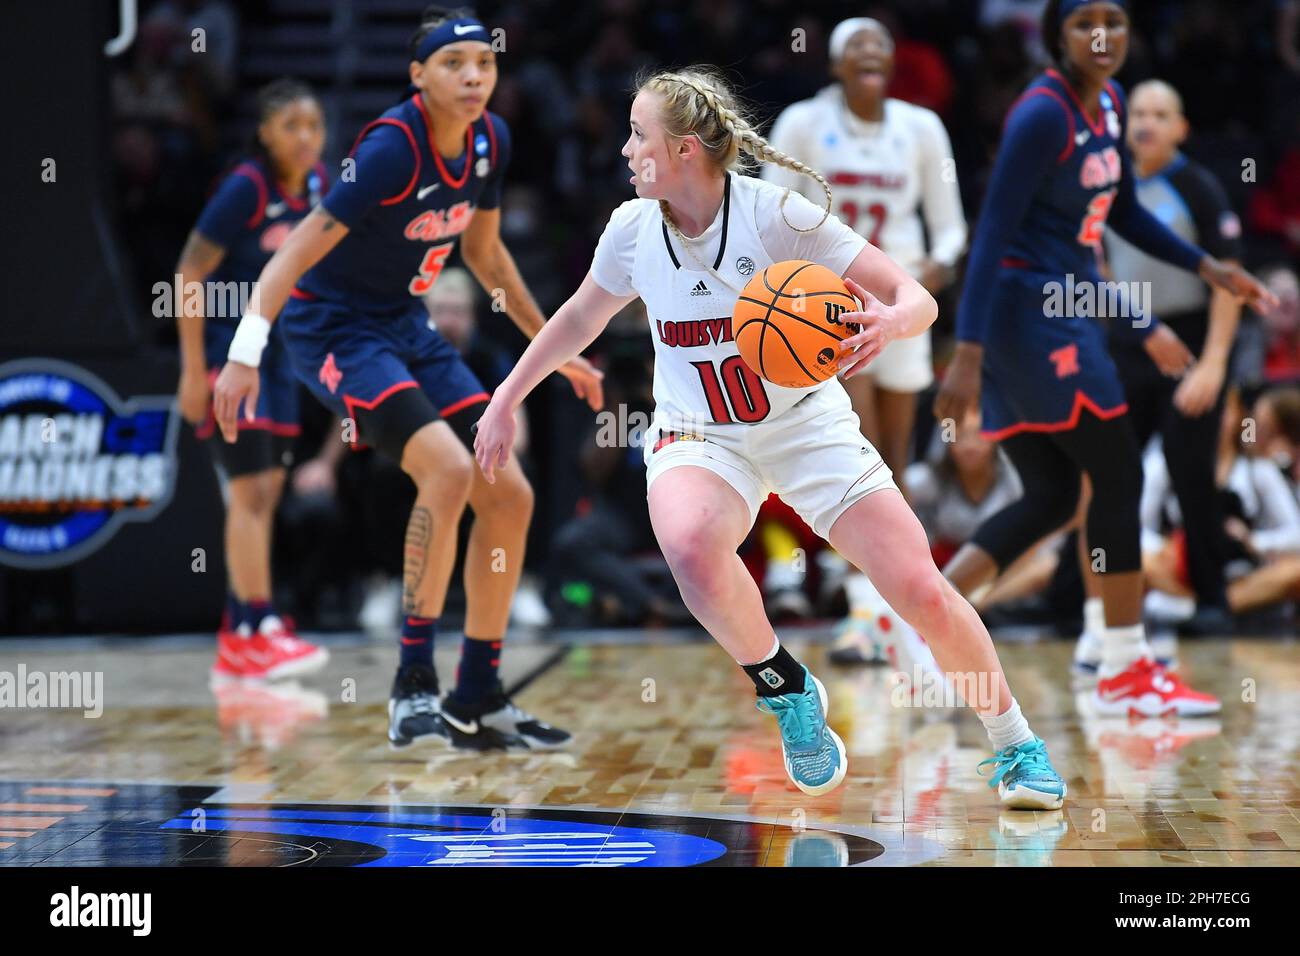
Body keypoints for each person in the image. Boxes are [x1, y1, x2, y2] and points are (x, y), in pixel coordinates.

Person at [475, 65, 1069, 809]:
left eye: (638, 135)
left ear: (686, 149)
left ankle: (1017, 744)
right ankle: (787, 688)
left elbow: (912, 294)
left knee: (919, 588)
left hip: (804, 425)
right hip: (698, 432)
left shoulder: (776, 217)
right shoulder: (631, 230)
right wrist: (507, 395)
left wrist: (893, 321)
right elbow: (577, 319)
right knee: (691, 546)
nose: (626, 150)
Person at [214, 6, 602, 751]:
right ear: (418, 76)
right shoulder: (390, 149)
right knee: (451, 470)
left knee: (510, 493)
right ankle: (412, 683)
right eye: (453, 65)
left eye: (483, 64)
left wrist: (557, 348)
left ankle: (479, 694)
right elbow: (291, 252)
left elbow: (486, 259)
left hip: (404, 325)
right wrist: (241, 353)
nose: (473, 77)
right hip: (329, 327)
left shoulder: (492, 140)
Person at [932, 0, 1275, 716]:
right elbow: (989, 233)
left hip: (1056, 308)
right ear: (1057, 33)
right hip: (1028, 313)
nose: (1102, 36)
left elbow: (1120, 211)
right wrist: (965, 354)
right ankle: (1123, 667)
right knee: (1116, 473)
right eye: (1085, 21)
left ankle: (922, 620)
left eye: (1115, 22)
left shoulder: (1110, 102)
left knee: (1055, 495)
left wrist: (1206, 267)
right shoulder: (1042, 115)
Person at [763, 17, 968, 661]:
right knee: (855, 458)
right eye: (857, 48)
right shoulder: (801, 122)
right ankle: (861, 609)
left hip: (896, 303)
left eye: (882, 45)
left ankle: (887, 609)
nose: (871, 54)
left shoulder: (922, 128)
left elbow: (952, 232)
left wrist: (917, 284)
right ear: (834, 65)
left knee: (896, 459)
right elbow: (769, 214)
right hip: (823, 308)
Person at [1071, 78, 1245, 671]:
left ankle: (1213, 600)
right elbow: (1091, 268)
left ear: (1181, 128)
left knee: (1190, 468)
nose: (1145, 122)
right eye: (1137, 112)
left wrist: (1215, 366)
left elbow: (1229, 279)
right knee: (1106, 472)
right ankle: (1087, 604)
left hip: (1193, 339)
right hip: (1129, 337)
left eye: (1159, 114)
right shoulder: (1108, 186)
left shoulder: (1196, 185)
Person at [174, 78, 329, 680]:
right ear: (265, 133)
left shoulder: (316, 186)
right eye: (291, 126)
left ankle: (246, 619)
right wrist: (192, 371)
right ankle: (252, 627)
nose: (305, 138)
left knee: (266, 490)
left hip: (281, 355)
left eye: (313, 126)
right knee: (246, 493)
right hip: (228, 352)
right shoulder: (245, 188)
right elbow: (188, 271)